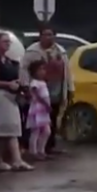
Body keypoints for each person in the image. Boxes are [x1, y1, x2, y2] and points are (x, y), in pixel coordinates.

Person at [0, 33, 31, 173]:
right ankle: (9, 160)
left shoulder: (9, 61)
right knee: (5, 130)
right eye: (4, 41)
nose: (7, 44)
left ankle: (7, 160)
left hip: (11, 97)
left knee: (8, 130)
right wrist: (7, 84)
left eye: (9, 42)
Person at [22, 25, 70, 156]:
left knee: (52, 119)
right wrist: (26, 87)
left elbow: (67, 71)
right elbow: (24, 69)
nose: (48, 37)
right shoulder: (32, 51)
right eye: (45, 34)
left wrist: (69, 88)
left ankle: (49, 146)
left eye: (50, 34)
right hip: (37, 90)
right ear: (40, 36)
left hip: (56, 89)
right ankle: (32, 148)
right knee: (36, 124)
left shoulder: (60, 51)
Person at [25, 60, 53, 160]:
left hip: (43, 110)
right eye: (40, 69)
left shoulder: (43, 83)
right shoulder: (35, 83)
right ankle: (33, 151)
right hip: (37, 109)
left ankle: (41, 150)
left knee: (46, 131)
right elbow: (35, 94)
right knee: (35, 131)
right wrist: (45, 104)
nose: (43, 71)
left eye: (43, 69)